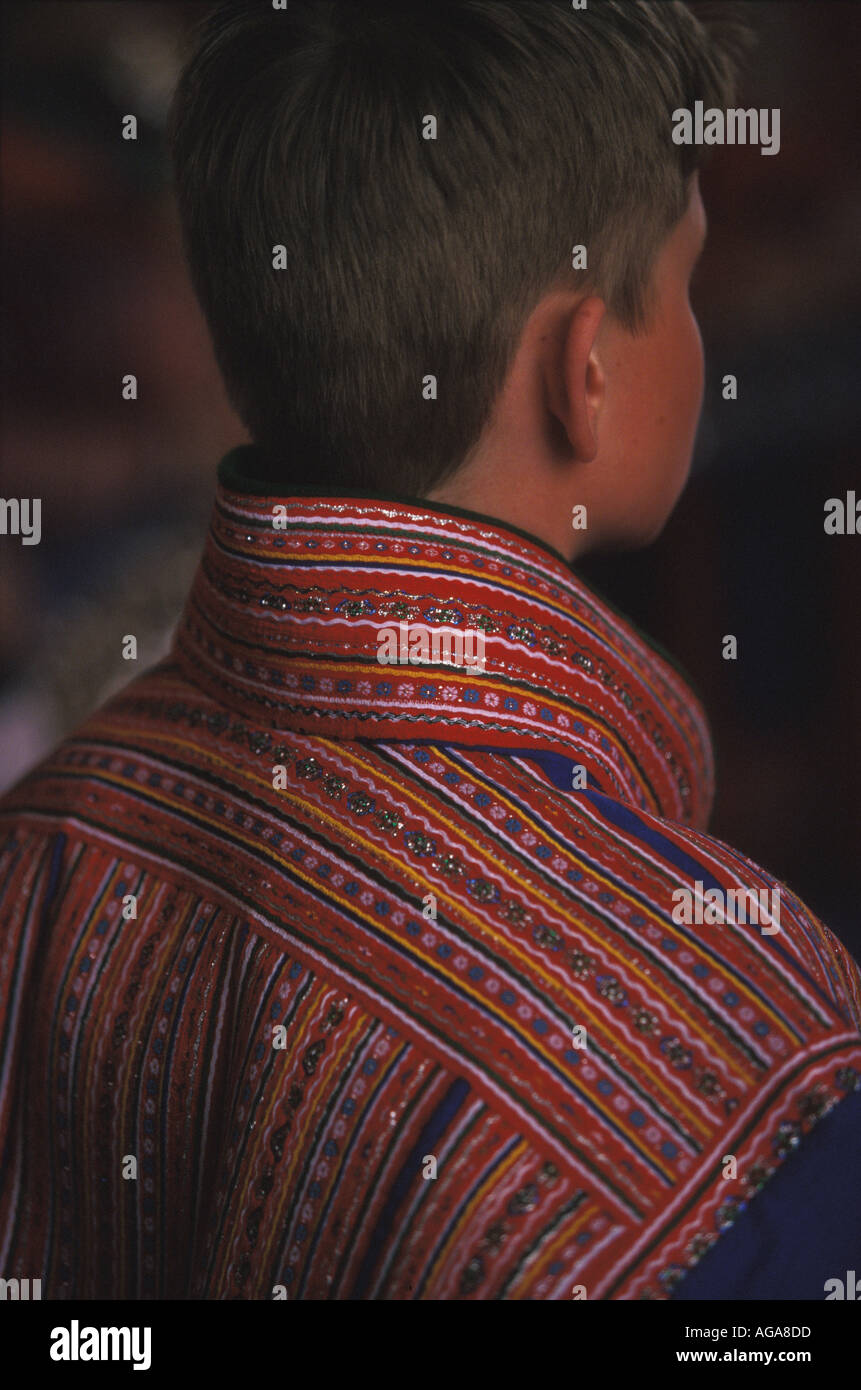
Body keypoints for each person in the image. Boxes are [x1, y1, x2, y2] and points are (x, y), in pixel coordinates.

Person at [1, 0, 859, 1301]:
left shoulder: (42, 839)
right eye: (682, 279)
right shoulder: (752, 1057)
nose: (700, 320)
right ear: (586, 373)